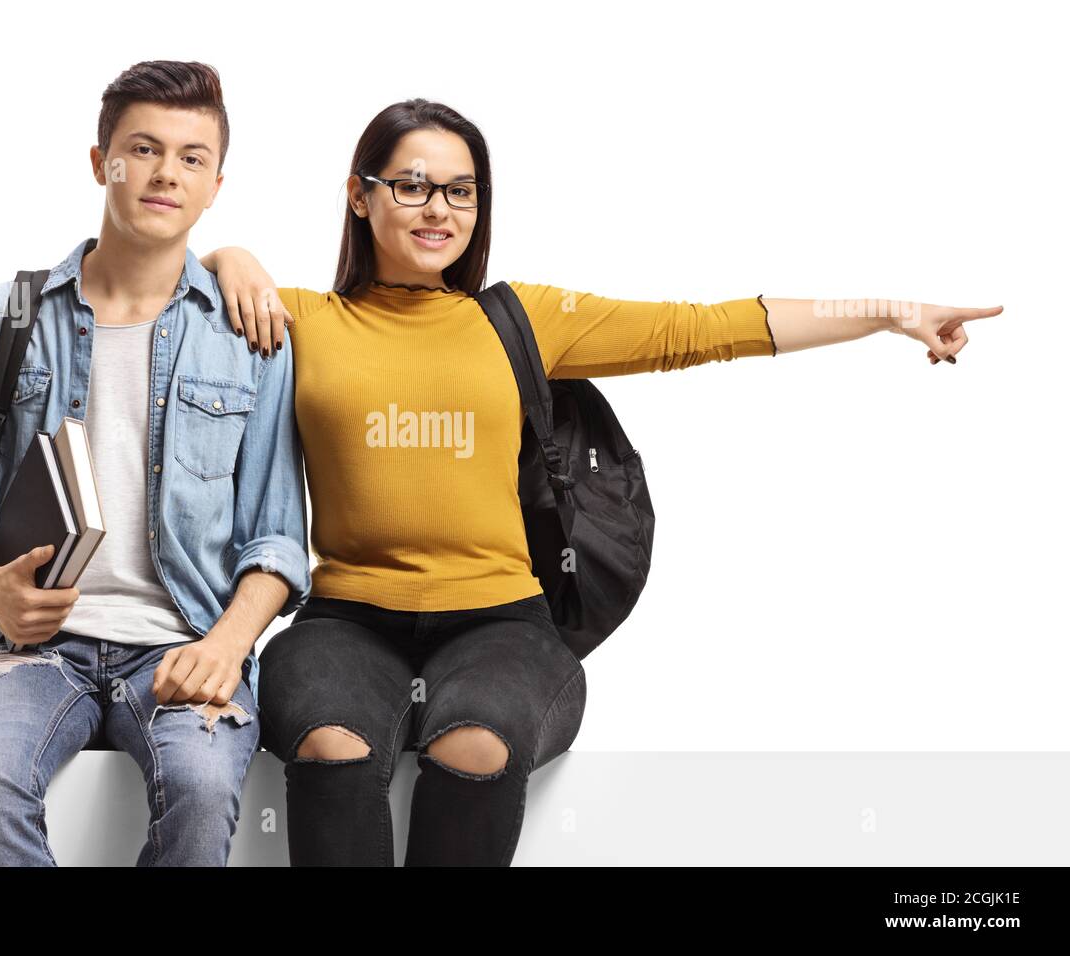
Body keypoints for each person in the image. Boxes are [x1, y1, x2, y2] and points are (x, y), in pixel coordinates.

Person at [200, 98, 1003, 866]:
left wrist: (892, 310)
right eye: (411, 185)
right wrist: (225, 255)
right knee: (332, 745)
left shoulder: (519, 318)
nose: (436, 208)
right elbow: (170, 299)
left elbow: (704, 328)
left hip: (500, 628)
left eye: (460, 191)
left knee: (473, 746)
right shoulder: (300, 317)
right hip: (347, 623)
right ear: (360, 196)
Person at [0, 60, 310, 866]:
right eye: (144, 149)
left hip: (185, 637)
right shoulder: (4, 317)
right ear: (102, 164)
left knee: (200, 792)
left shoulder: (251, 337)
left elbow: (278, 537)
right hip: (30, 650)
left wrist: (228, 647)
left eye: (192, 158)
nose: (167, 173)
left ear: (216, 184)